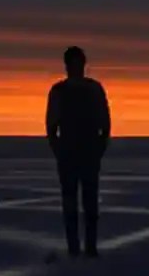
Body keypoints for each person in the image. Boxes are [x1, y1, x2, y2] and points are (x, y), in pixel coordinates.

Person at [45, 46, 111, 258]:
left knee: (90, 201)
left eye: (79, 62)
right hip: (69, 154)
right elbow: (51, 126)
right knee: (70, 201)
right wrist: (59, 150)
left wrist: (99, 147)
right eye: (74, 63)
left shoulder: (94, 89)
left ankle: (90, 247)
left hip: (88, 152)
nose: (77, 67)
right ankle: (74, 247)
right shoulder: (59, 91)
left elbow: (105, 122)